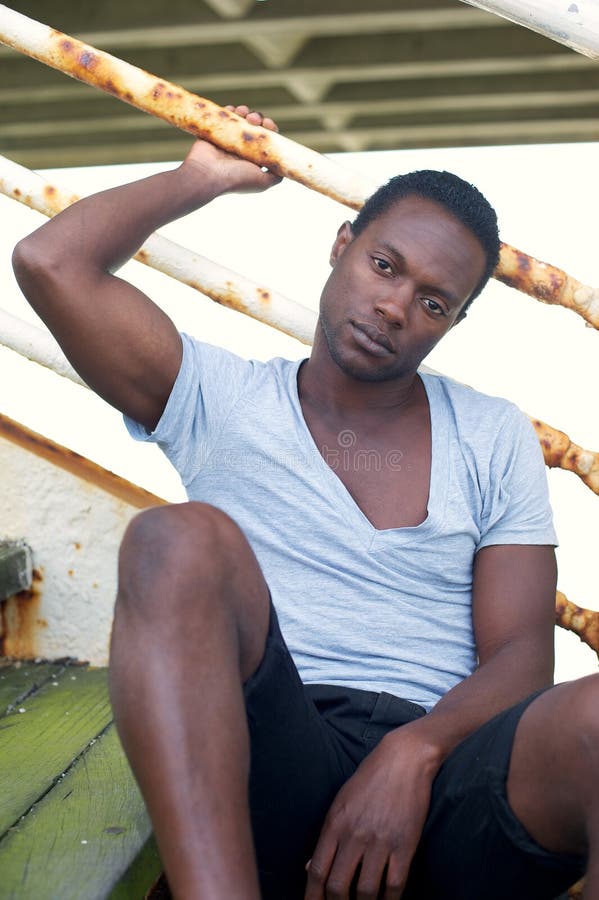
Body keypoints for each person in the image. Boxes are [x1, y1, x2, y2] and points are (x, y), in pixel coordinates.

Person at [12, 106, 596, 900]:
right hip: (266, 752)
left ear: (453, 323)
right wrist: (199, 179)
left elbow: (523, 654)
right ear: (341, 243)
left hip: (445, 776)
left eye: (432, 302)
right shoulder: (218, 398)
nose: (394, 307)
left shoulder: (489, 434)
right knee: (173, 538)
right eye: (385, 266)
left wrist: (411, 753)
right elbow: (51, 262)